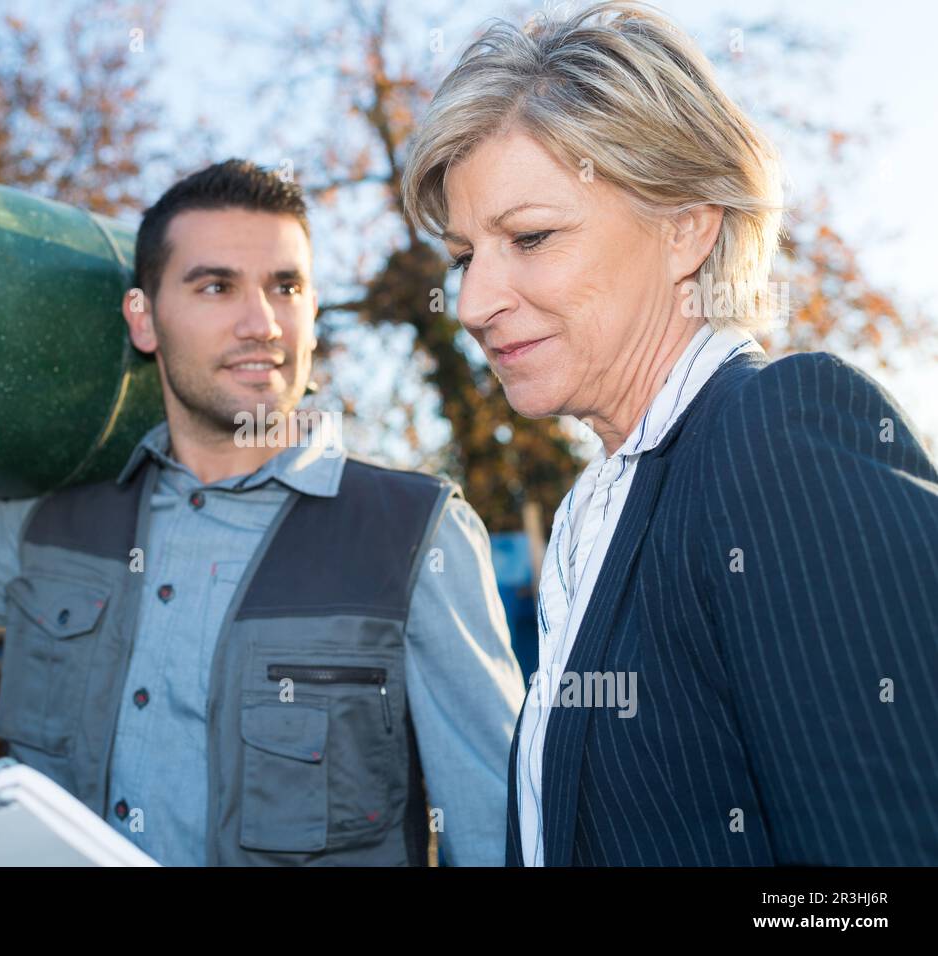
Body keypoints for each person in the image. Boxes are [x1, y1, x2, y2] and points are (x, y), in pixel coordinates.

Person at [0, 159, 526, 866]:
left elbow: (501, 834)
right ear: (144, 318)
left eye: (287, 287)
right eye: (216, 286)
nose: (262, 323)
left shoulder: (412, 533)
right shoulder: (55, 530)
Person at [401, 1, 938, 865]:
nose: (471, 303)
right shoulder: (592, 511)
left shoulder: (776, 438)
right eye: (466, 255)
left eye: (530, 237)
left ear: (686, 223)